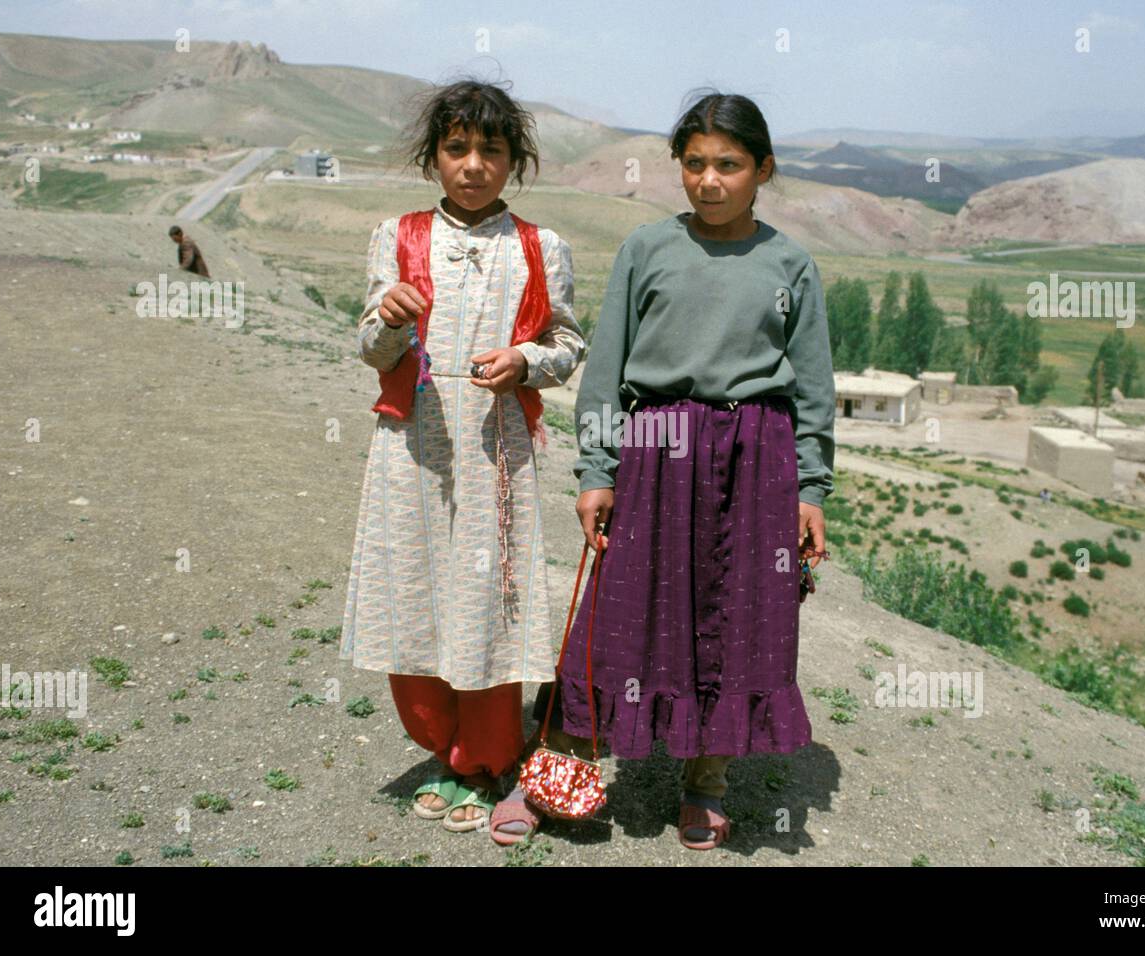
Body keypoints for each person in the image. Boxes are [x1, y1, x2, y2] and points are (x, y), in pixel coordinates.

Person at [530, 90, 836, 850]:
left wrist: (809, 489)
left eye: (729, 165)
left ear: (762, 168)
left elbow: (812, 388)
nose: (710, 181)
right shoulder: (646, 249)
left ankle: (706, 783)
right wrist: (595, 470)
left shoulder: (789, 263)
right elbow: (603, 370)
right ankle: (571, 767)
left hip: (756, 457)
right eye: (694, 164)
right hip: (655, 447)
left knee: (739, 624)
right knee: (619, 612)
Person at [338, 79, 585, 838]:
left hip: (494, 449)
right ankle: (440, 747)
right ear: (433, 157)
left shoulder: (543, 247)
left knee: (487, 606)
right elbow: (368, 348)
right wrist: (386, 318)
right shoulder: (396, 235)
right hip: (411, 446)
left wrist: (526, 361)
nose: (473, 165)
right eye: (457, 148)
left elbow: (569, 345)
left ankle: (483, 761)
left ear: (514, 159)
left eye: (491, 149)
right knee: (412, 593)